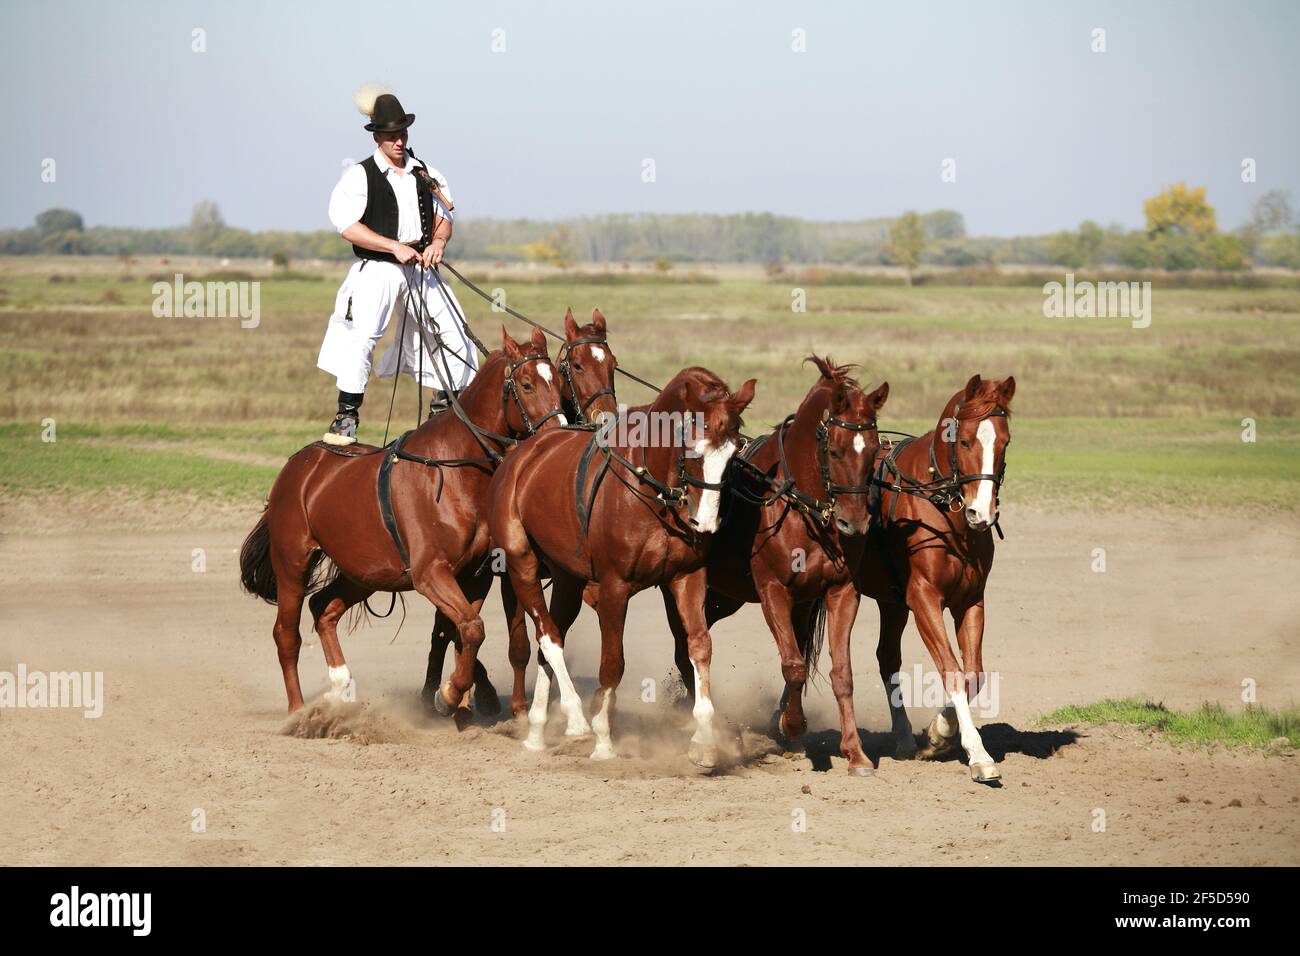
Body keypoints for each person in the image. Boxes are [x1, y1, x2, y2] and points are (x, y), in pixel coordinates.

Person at [316, 86, 478, 445]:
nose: (399, 141)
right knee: (365, 337)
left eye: (403, 134)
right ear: (377, 137)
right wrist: (392, 247)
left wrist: (438, 242)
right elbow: (348, 226)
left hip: (421, 266)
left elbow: (444, 215)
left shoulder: (425, 173)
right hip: (379, 268)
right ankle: (346, 416)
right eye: (392, 136)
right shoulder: (359, 176)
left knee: (455, 332)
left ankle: (444, 411)